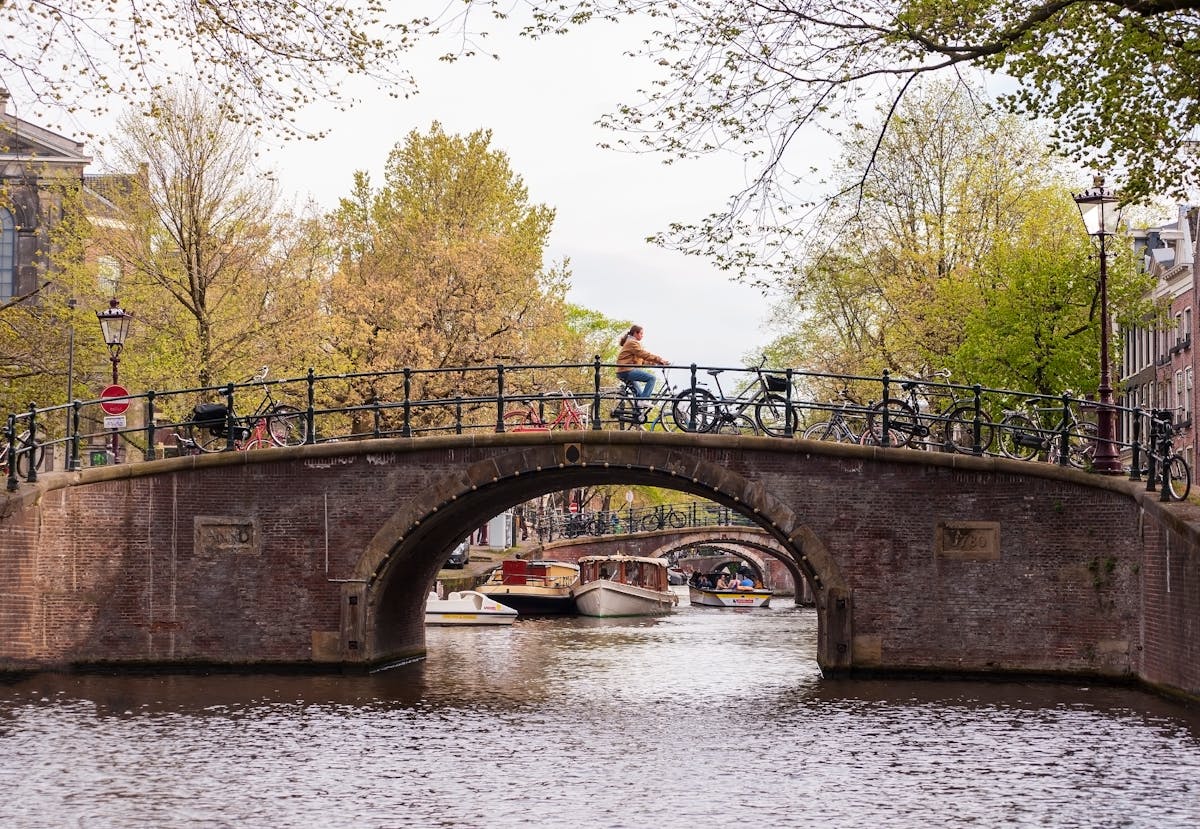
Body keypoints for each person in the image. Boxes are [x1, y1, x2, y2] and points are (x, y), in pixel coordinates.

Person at [616, 324, 669, 401]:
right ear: (635, 333)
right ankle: (643, 401)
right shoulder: (632, 342)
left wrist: (657, 363)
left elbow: (641, 360)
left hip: (624, 370)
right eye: (641, 333)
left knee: (639, 397)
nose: (642, 336)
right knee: (652, 378)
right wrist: (659, 359)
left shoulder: (630, 342)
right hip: (626, 370)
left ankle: (638, 409)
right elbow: (644, 354)